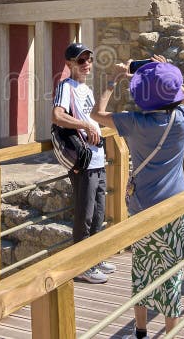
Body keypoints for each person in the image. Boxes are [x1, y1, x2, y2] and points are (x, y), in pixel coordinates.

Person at [93, 56, 184, 338]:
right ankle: (171, 332)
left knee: (142, 267)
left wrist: (114, 80)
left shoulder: (134, 122)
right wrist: (169, 74)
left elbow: (97, 114)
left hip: (142, 207)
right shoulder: (182, 118)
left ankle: (141, 331)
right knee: (171, 272)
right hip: (175, 206)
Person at [52, 42, 115, 283]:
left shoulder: (86, 89)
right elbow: (57, 115)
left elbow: (95, 116)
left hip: (97, 158)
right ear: (69, 64)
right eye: (81, 60)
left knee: (98, 212)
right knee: (85, 213)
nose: (87, 63)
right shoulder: (65, 86)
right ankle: (81, 266)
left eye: (89, 59)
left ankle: (94, 258)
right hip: (84, 160)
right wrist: (86, 125)